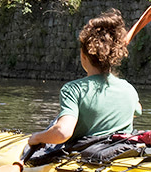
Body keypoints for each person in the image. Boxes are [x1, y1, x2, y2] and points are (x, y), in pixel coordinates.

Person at [27, 9, 141, 149]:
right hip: (121, 150)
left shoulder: (73, 89)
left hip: (87, 155)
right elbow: (137, 110)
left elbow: (62, 133)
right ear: (114, 56)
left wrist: (37, 137)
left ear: (83, 55)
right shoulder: (128, 89)